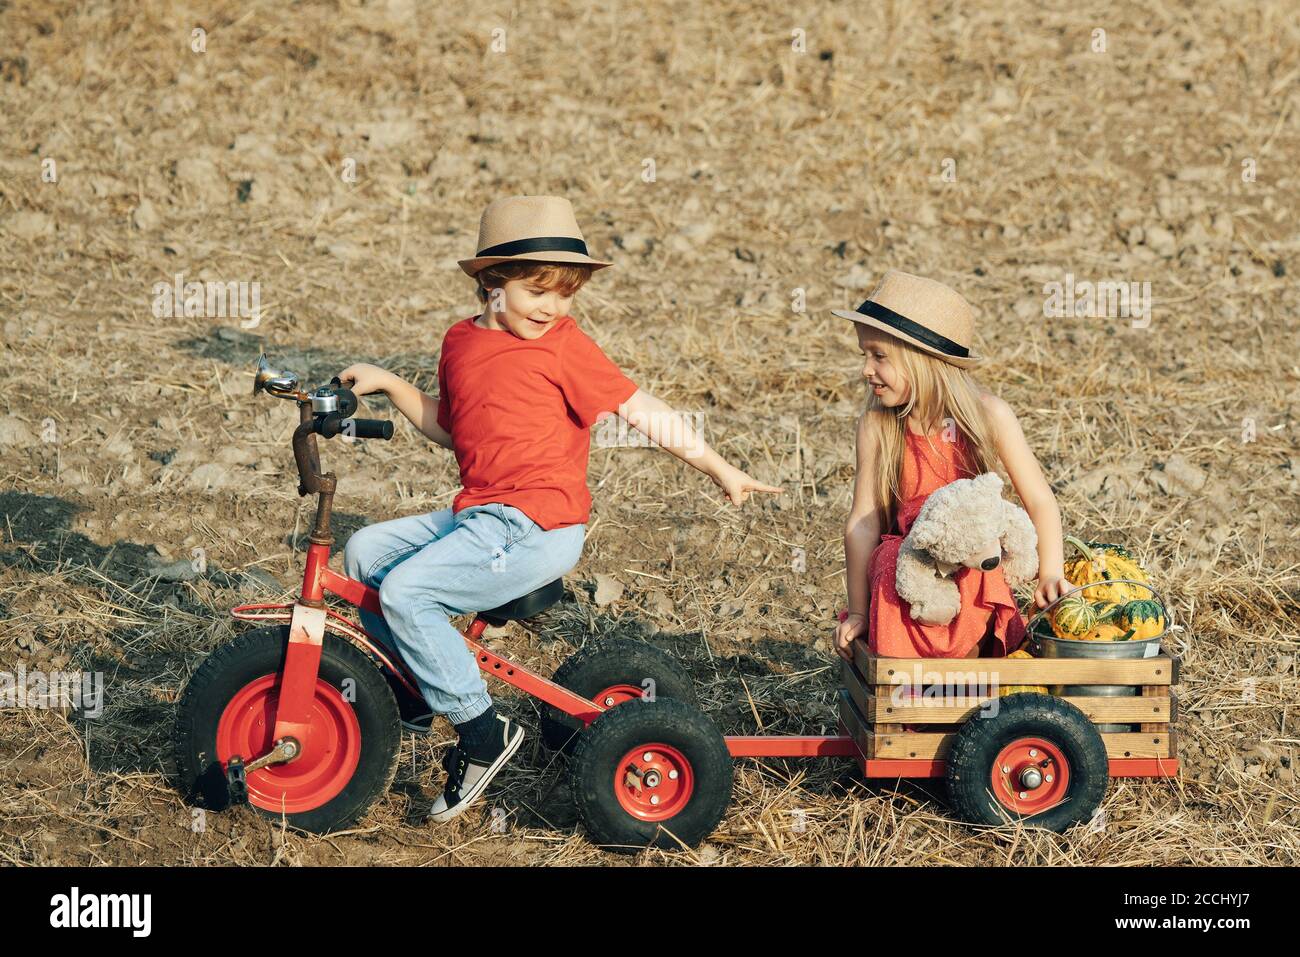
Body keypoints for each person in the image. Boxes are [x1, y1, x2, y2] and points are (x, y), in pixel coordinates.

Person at [338, 195, 780, 822]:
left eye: (565, 293)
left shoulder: (565, 347)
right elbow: (452, 427)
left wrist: (718, 467)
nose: (552, 307)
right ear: (492, 283)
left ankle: (482, 733)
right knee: (363, 553)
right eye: (536, 290)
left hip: (536, 526)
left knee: (408, 592)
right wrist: (392, 384)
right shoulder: (460, 342)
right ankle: (413, 689)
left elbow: (638, 407)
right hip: (479, 515)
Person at [830, 270, 1067, 662]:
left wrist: (1051, 572)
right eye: (864, 355)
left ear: (923, 361)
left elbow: (1039, 499)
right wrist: (858, 611)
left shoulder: (988, 416)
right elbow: (863, 522)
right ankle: (904, 694)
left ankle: (970, 688)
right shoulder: (879, 425)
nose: (866, 370)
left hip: (970, 553)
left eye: (879, 356)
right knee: (891, 563)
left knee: (980, 568)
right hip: (911, 558)